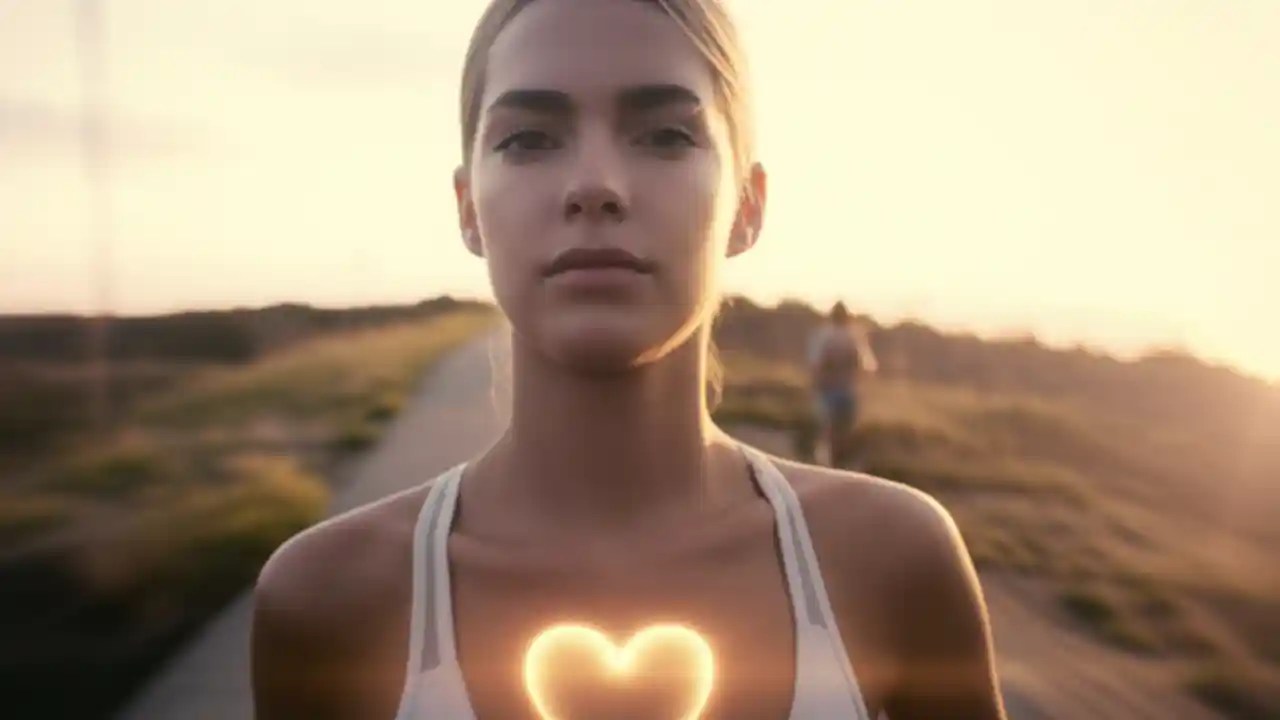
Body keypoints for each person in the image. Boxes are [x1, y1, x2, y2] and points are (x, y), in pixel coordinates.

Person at [251, 1, 1007, 718]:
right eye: (529, 139)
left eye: (667, 135)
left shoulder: (893, 558)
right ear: (468, 208)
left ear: (747, 205)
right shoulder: (328, 598)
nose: (594, 186)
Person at [807, 301, 878, 469]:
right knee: (842, 430)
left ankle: (828, 462)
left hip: (831, 390)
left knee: (829, 429)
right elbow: (864, 365)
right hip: (846, 390)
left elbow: (816, 365)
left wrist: (815, 384)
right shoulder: (852, 337)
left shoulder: (825, 336)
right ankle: (837, 462)